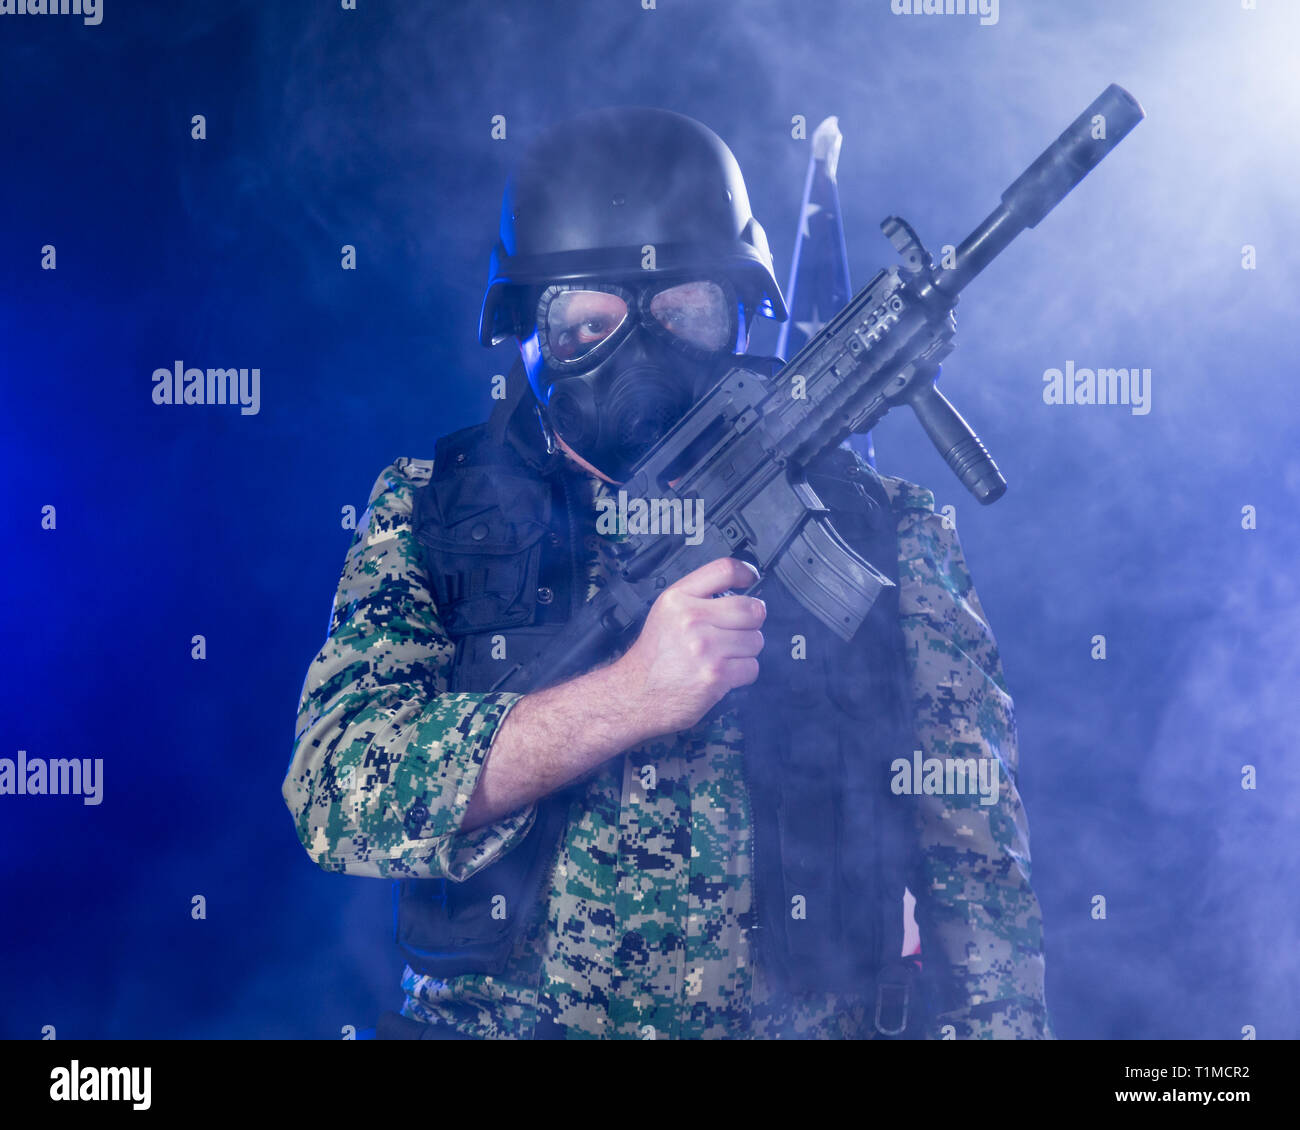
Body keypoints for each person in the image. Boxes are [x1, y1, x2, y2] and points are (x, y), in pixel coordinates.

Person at [282, 106, 1052, 1039]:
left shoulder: (885, 530)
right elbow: (334, 792)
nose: (640, 357)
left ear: (737, 312)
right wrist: (628, 697)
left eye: (684, 311)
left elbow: (974, 865)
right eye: (589, 324)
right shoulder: (434, 512)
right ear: (529, 331)